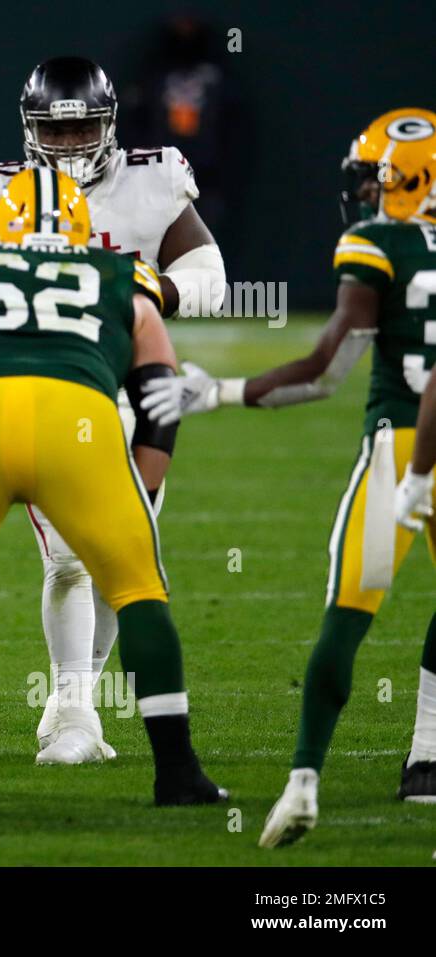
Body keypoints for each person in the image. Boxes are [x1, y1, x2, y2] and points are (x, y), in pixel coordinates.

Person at [0, 166, 225, 808]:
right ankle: (177, 772)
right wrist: (144, 483)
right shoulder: (121, 278)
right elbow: (158, 393)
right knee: (138, 590)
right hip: (73, 426)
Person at [142, 108, 436, 845]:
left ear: (406, 180)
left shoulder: (378, 243)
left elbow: (324, 370)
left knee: (348, 613)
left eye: (375, 179)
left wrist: (224, 391)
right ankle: (428, 754)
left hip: (400, 445)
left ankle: (304, 779)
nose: (366, 193)